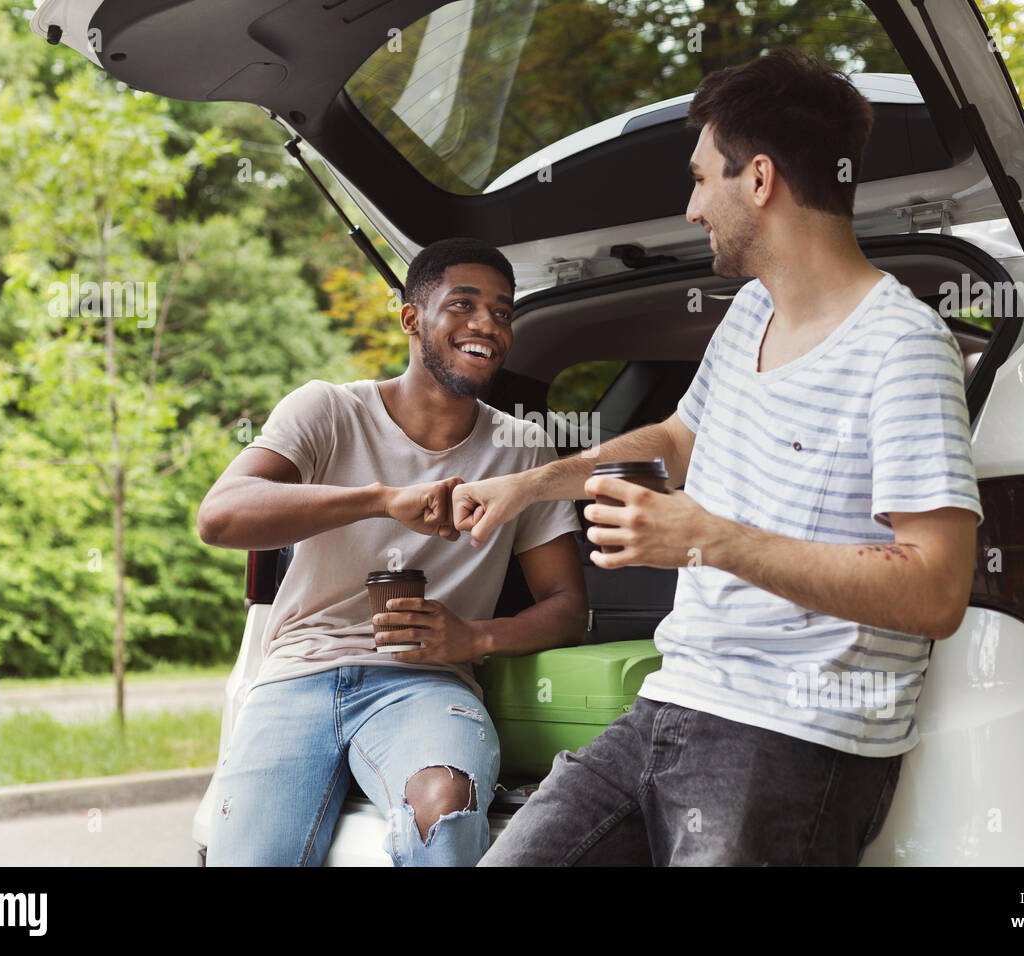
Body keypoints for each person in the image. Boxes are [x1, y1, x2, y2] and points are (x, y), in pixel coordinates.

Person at [457, 50, 983, 866]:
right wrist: (535, 483)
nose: (693, 206)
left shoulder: (903, 348)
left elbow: (935, 588)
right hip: (670, 702)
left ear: (761, 180)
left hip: (792, 732)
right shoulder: (748, 316)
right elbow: (676, 440)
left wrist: (706, 539)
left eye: (702, 179)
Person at [197, 237, 586, 866]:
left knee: (448, 806)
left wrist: (474, 640)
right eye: (463, 304)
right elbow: (219, 517)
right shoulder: (327, 410)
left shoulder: (523, 448)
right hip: (300, 674)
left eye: (503, 312)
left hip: (427, 687)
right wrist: (379, 500)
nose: (487, 325)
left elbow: (568, 608)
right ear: (410, 317)